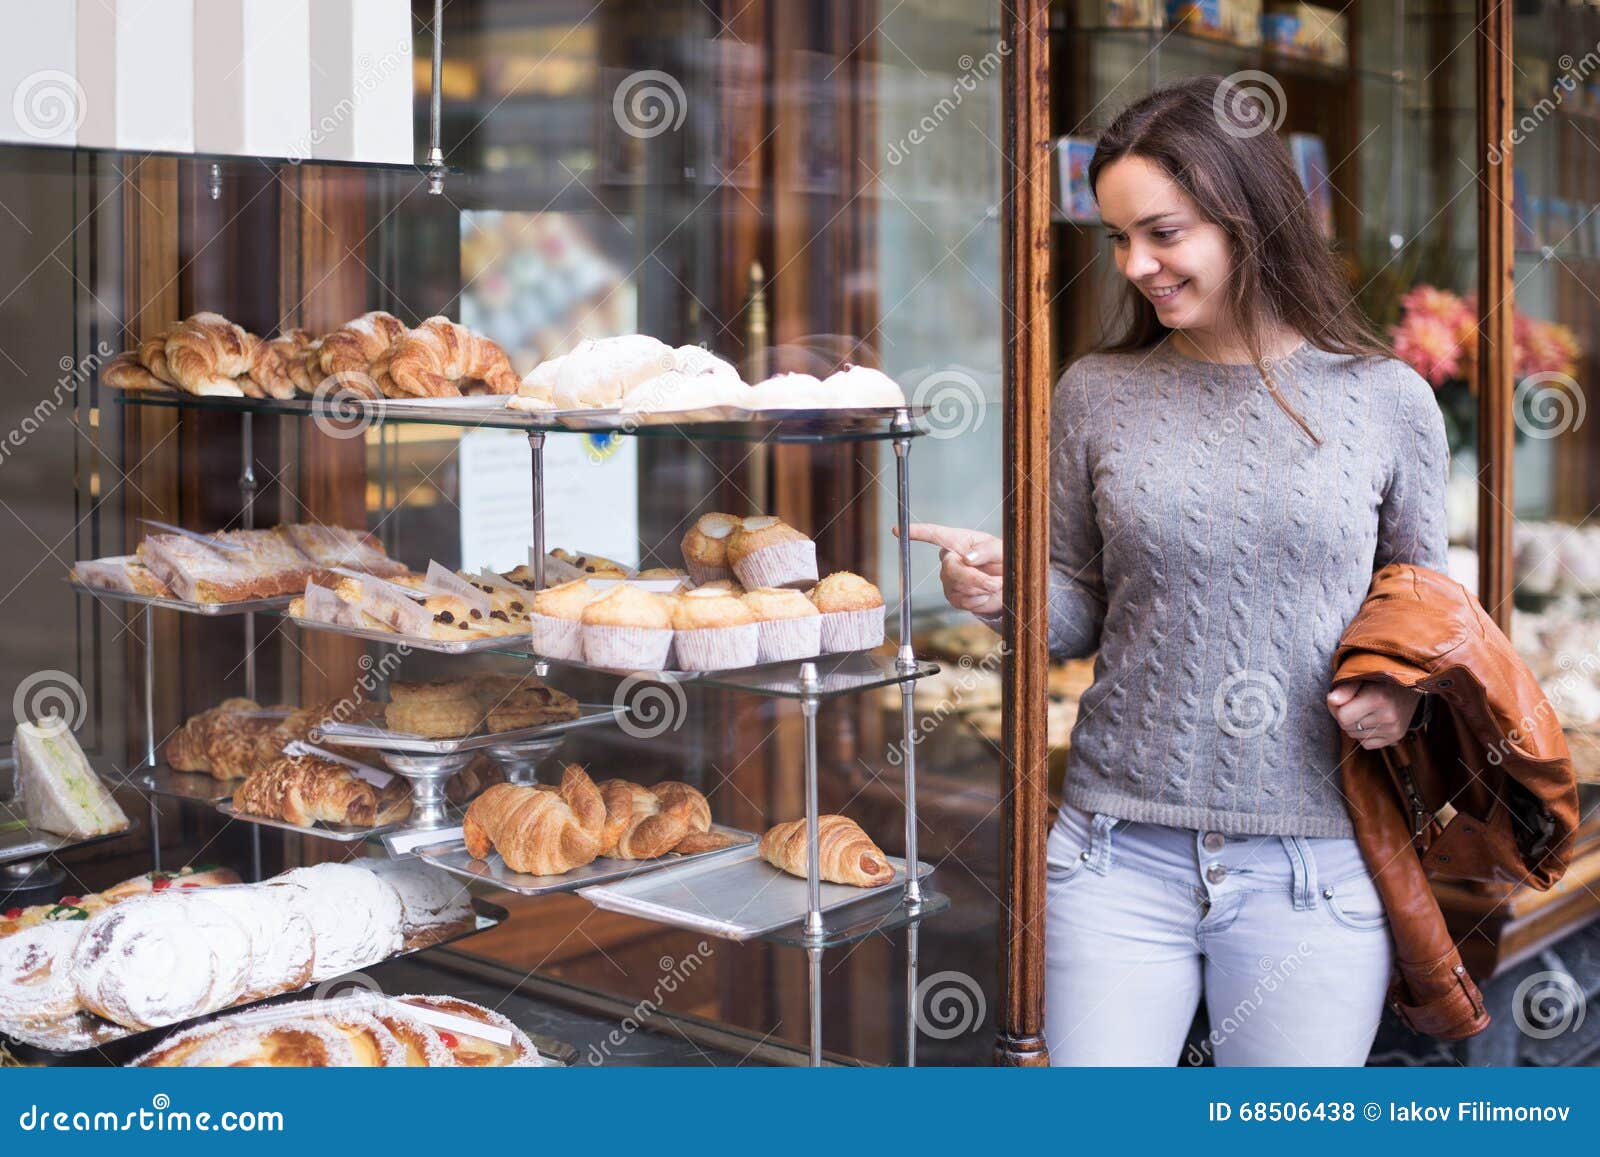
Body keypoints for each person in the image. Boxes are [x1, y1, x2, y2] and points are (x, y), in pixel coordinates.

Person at [898, 76, 1448, 1066]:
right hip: (1114, 852)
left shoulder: (1387, 400)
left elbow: (1430, 617)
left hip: (1311, 861)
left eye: (1162, 232)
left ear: (1249, 215)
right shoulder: (1098, 391)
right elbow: (1075, 613)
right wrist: (1004, 590)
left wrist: (1400, 694)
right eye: (1116, 238)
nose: (1135, 264)